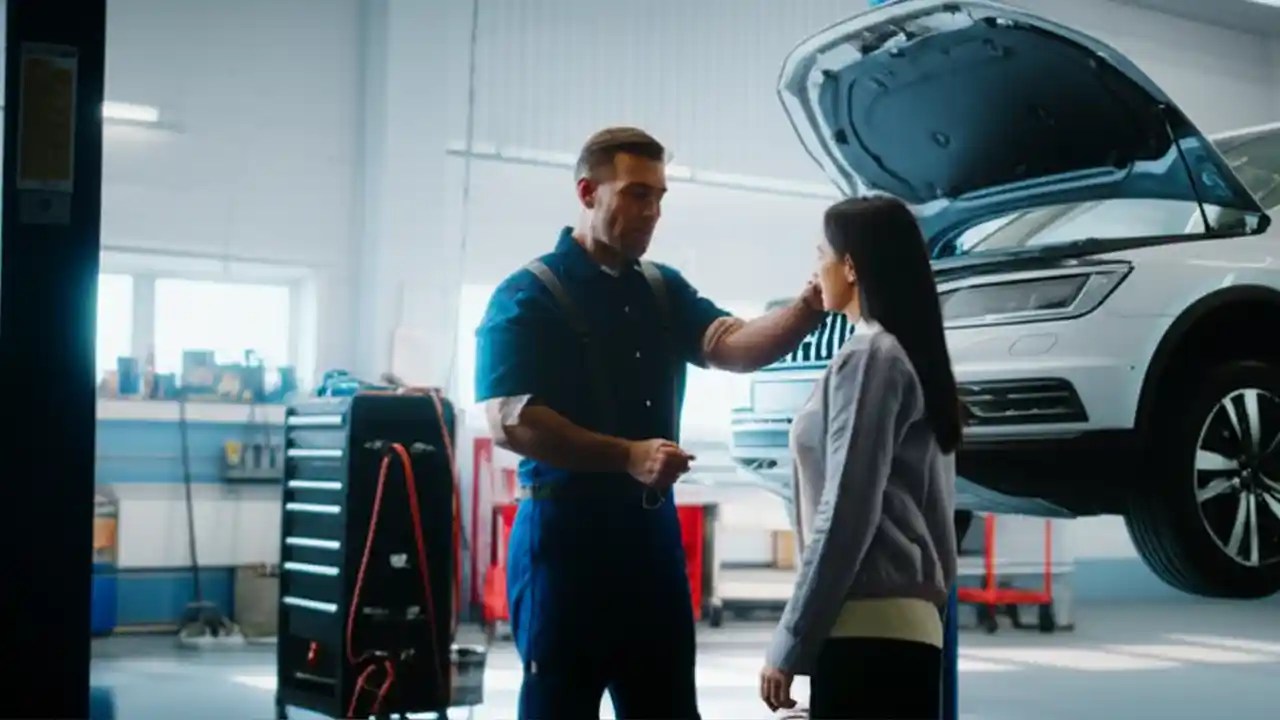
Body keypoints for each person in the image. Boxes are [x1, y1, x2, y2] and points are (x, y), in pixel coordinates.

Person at [474, 126, 826, 720]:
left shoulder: (663, 289)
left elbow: (733, 345)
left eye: (660, 197)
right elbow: (512, 421)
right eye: (637, 194)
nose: (653, 212)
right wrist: (627, 455)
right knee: (559, 706)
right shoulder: (527, 296)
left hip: (650, 541)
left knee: (664, 705)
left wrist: (808, 307)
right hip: (564, 540)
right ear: (588, 192)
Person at [758, 195, 962, 720]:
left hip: (863, 627)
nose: (815, 267)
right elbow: (940, 521)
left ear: (850, 266)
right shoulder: (913, 357)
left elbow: (846, 508)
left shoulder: (871, 356)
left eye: (821, 252)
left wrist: (792, 639)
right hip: (907, 629)